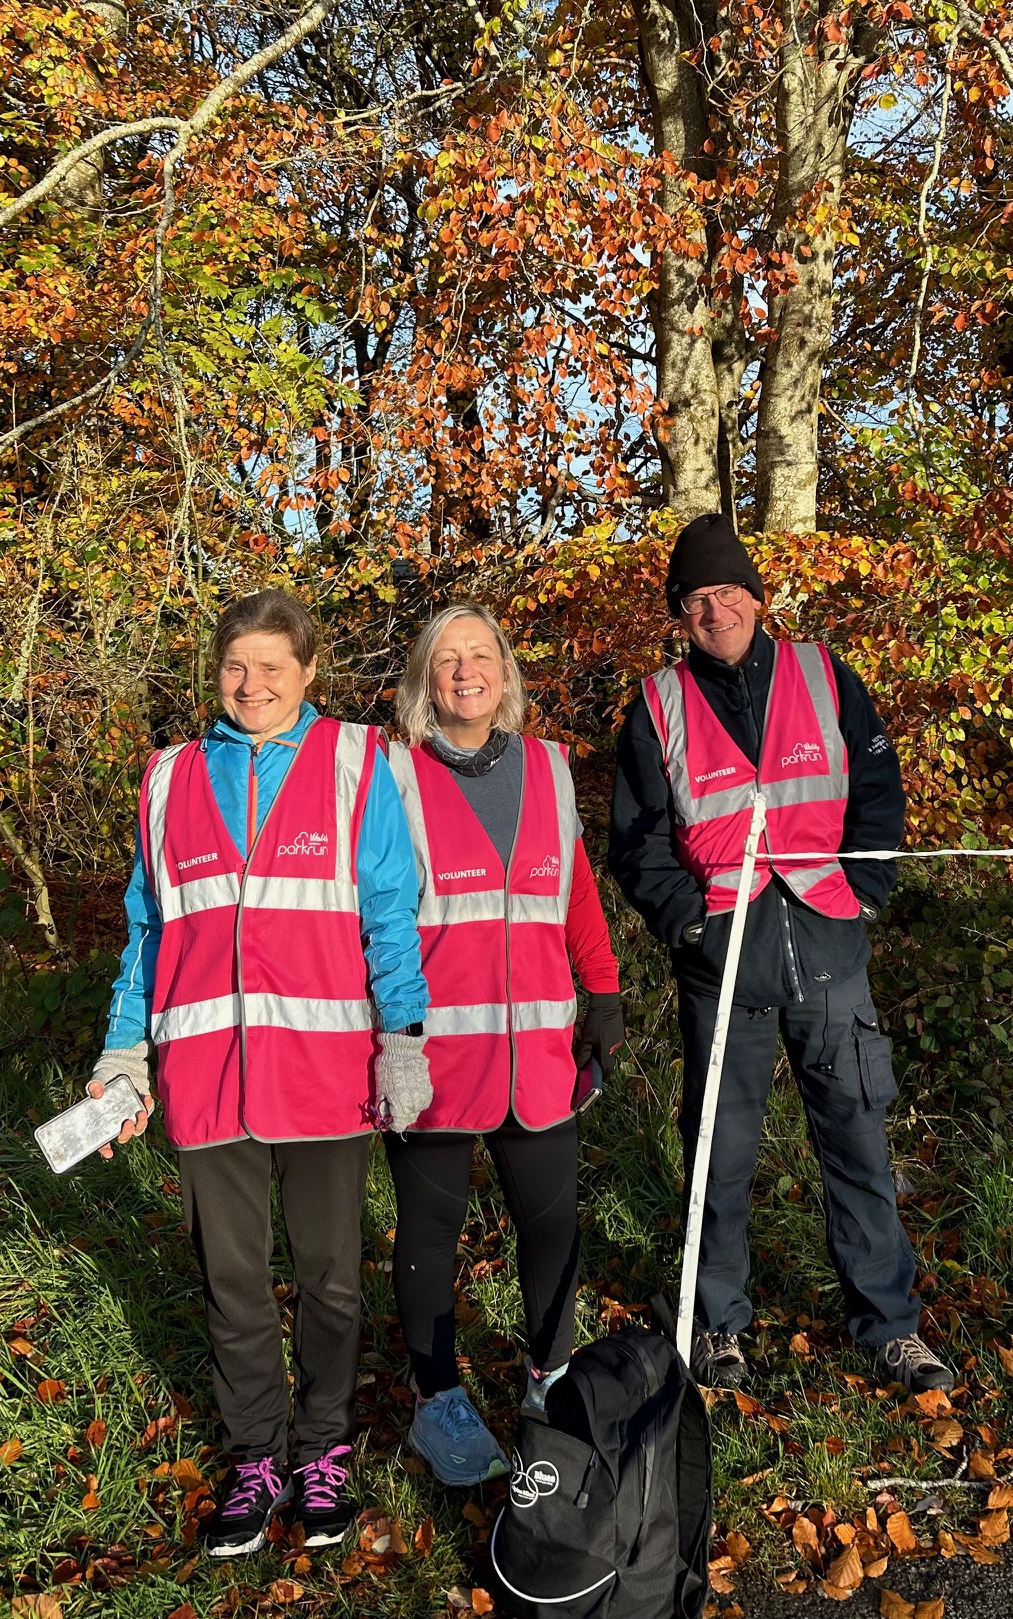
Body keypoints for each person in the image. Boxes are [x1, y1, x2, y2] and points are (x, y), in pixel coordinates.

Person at [89, 590, 431, 1555]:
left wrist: (402, 1037)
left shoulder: (359, 762)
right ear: (217, 670)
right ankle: (253, 1455)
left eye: (273, 666)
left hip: (325, 1076)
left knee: (327, 1280)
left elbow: (390, 917)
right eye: (237, 665)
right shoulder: (167, 779)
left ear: (309, 672)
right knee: (232, 1281)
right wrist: (124, 1055)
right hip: (205, 1079)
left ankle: (321, 1449)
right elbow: (147, 935)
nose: (254, 684)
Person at [608, 514, 954, 1395]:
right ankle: (716, 1325)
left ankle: (889, 1325)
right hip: (722, 959)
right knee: (717, 1154)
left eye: (725, 591)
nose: (712, 609)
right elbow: (637, 843)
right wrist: (692, 926)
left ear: (756, 597)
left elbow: (878, 789)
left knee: (857, 1140)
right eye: (693, 600)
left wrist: (866, 890)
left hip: (829, 947)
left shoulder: (821, 672)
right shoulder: (656, 708)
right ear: (679, 618)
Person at [385, 603, 624, 1487]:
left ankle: (550, 1383)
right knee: (429, 1233)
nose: (464, 671)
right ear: (423, 679)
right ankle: (436, 1398)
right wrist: (385, 1038)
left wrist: (601, 989)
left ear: (504, 671)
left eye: (479, 653)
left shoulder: (550, 768)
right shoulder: (393, 776)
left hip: (538, 1058)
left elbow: (575, 896)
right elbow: (376, 919)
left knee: (550, 1226)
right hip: (436, 1059)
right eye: (445, 658)